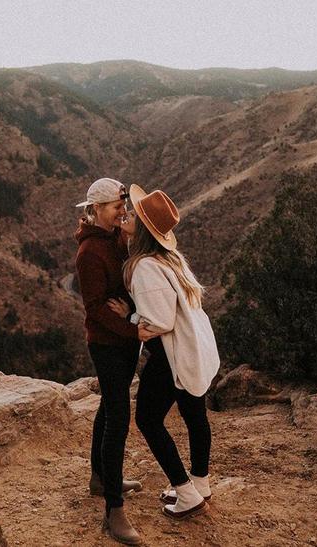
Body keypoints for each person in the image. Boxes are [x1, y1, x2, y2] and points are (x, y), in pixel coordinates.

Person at [122, 184, 220, 520]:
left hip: (170, 354)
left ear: (143, 229)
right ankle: (200, 483)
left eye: (134, 214)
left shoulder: (145, 267)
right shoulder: (171, 259)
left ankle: (187, 494)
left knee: (147, 420)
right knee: (195, 416)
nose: (127, 215)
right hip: (193, 347)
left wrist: (129, 318)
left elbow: (160, 321)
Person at [74, 177, 156, 545]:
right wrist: (131, 329)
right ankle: (113, 509)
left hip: (123, 340)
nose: (123, 211)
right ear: (96, 209)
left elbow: (127, 285)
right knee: (118, 419)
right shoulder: (90, 252)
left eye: (123, 204)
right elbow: (94, 308)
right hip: (107, 344)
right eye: (116, 206)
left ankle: (100, 478)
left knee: (109, 408)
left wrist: (132, 320)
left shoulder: (116, 238)